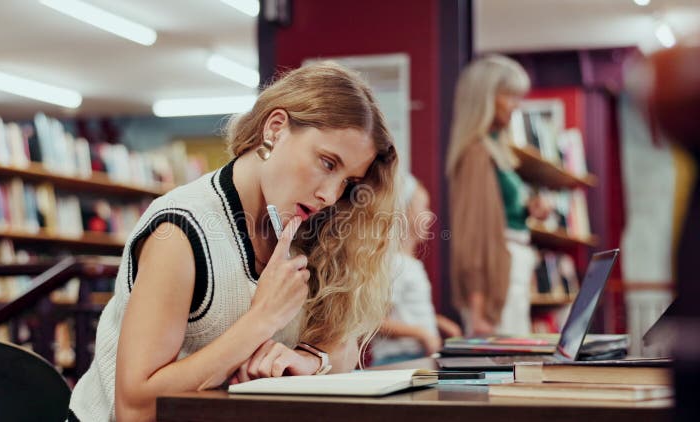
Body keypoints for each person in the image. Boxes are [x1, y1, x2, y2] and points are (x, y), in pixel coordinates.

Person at [68, 62, 398, 421]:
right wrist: (260, 321)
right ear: (276, 129)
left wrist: (307, 359)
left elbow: (343, 345)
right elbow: (137, 408)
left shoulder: (309, 226)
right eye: (328, 163)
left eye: (348, 182)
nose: (331, 195)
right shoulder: (179, 229)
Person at [446, 55, 550, 337]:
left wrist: (529, 208)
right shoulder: (476, 153)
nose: (517, 105)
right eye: (510, 96)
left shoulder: (496, 150)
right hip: (494, 282)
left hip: (508, 270)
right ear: (486, 97)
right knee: (508, 367)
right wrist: (478, 309)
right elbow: (473, 235)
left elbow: (499, 214)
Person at [370, 174, 462, 366]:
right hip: (397, 361)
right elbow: (377, 322)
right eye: (424, 208)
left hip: (416, 356)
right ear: (402, 213)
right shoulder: (394, 263)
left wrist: (438, 322)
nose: (430, 215)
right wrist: (422, 334)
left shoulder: (411, 263)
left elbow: (406, 311)